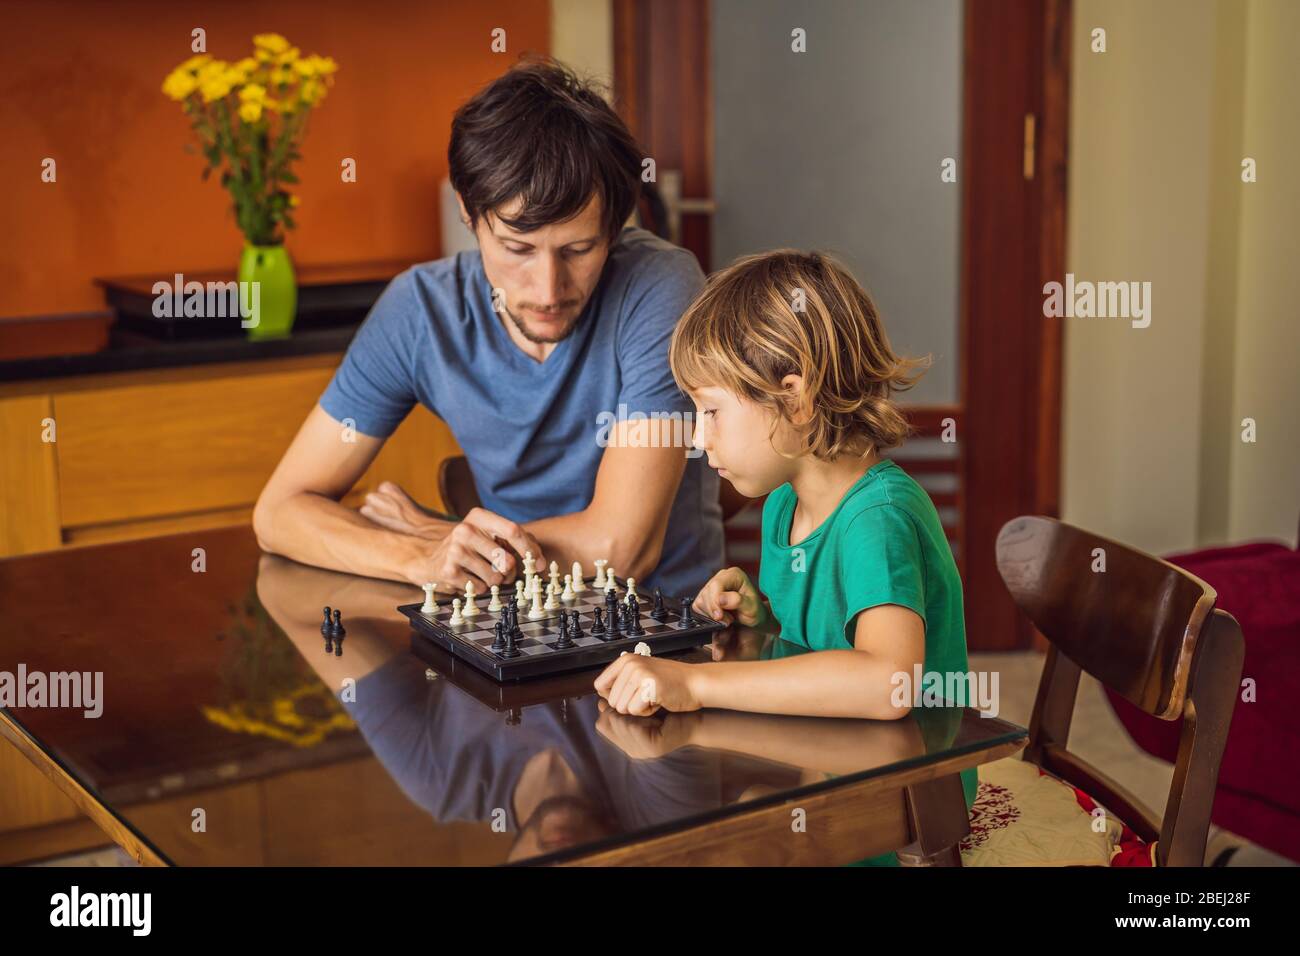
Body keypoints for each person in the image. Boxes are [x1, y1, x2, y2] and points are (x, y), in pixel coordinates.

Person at [253, 57, 723, 599]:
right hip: (510, 622)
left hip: (668, 640)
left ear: (615, 228)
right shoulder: (419, 311)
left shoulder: (660, 285)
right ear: (468, 213)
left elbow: (622, 546)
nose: (548, 289)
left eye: (579, 249)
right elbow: (279, 512)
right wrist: (422, 554)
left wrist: (448, 536)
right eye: (517, 249)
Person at [593, 249, 977, 826]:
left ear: (795, 399)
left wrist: (697, 685)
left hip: (909, 804)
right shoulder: (782, 506)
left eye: (713, 412)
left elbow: (888, 682)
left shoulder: (877, 518)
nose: (699, 439)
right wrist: (764, 622)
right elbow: (828, 652)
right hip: (832, 766)